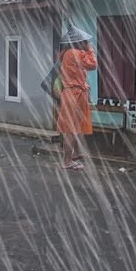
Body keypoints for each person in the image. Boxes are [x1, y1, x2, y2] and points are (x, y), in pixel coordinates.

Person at [55, 27, 96, 170]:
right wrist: (91, 50)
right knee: (71, 129)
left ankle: (74, 154)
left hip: (74, 93)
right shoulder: (74, 53)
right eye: (86, 42)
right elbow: (93, 64)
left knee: (75, 127)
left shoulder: (67, 53)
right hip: (74, 94)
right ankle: (67, 161)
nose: (87, 43)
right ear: (80, 42)